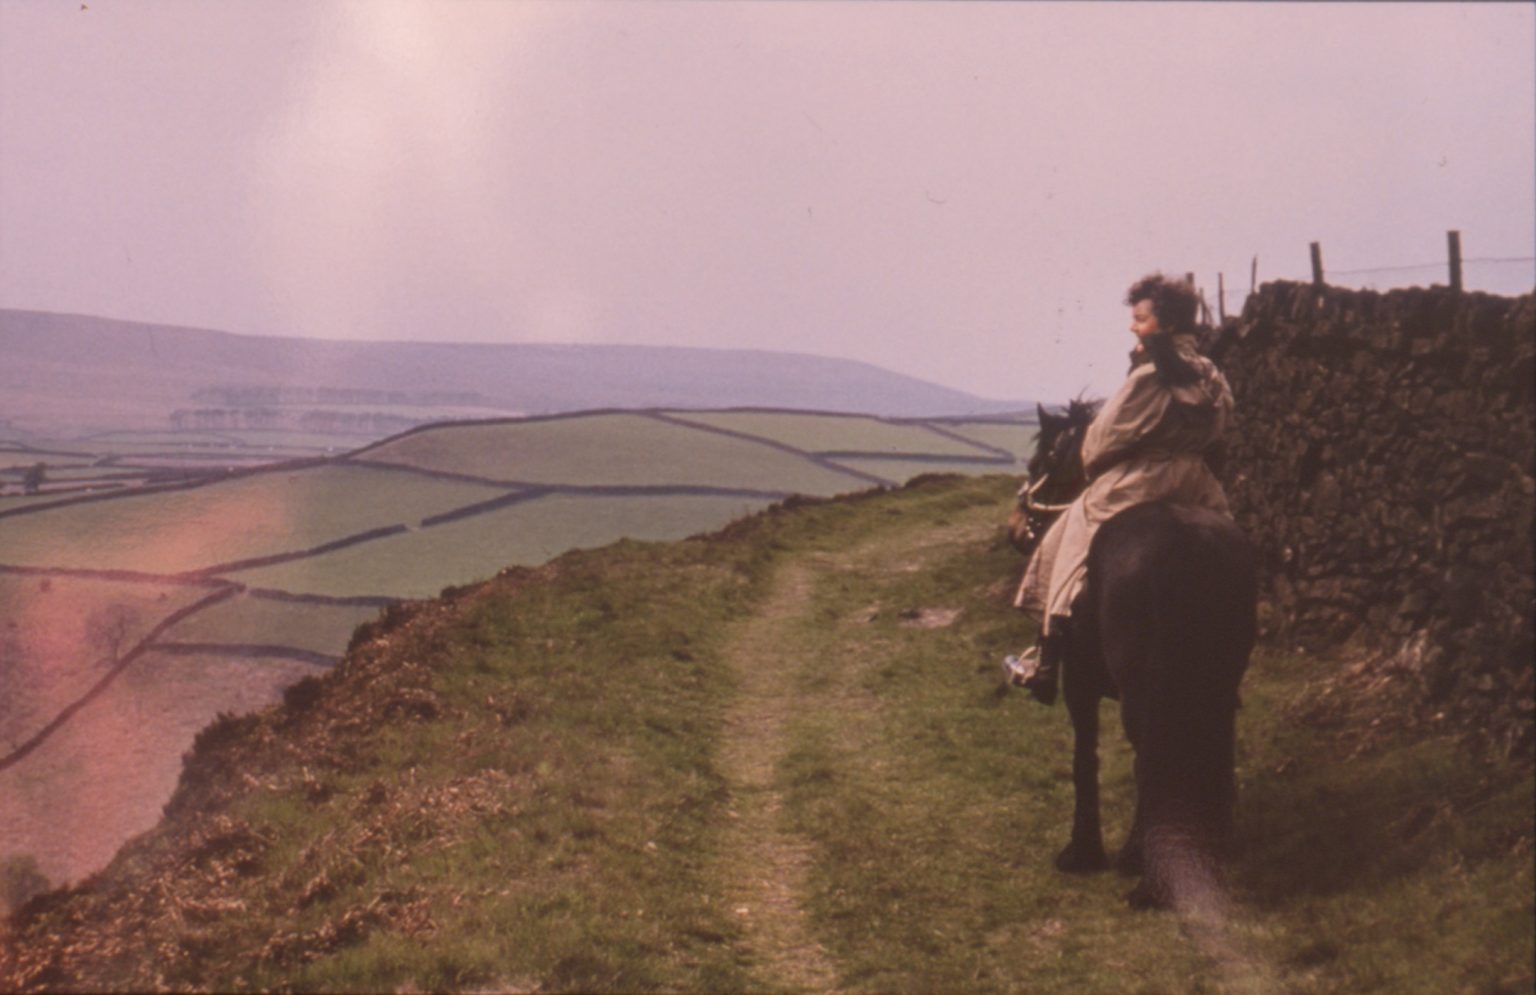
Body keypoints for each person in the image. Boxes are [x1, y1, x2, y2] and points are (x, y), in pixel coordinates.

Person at [1008, 274, 1235, 704]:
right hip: (1196, 483)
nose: (1133, 326)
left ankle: (1047, 656)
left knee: (1072, 539)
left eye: (1141, 319)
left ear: (1167, 324)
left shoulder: (1149, 375)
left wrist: (1102, 467)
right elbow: (1222, 431)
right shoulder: (1212, 376)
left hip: (1141, 480)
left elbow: (1100, 444)